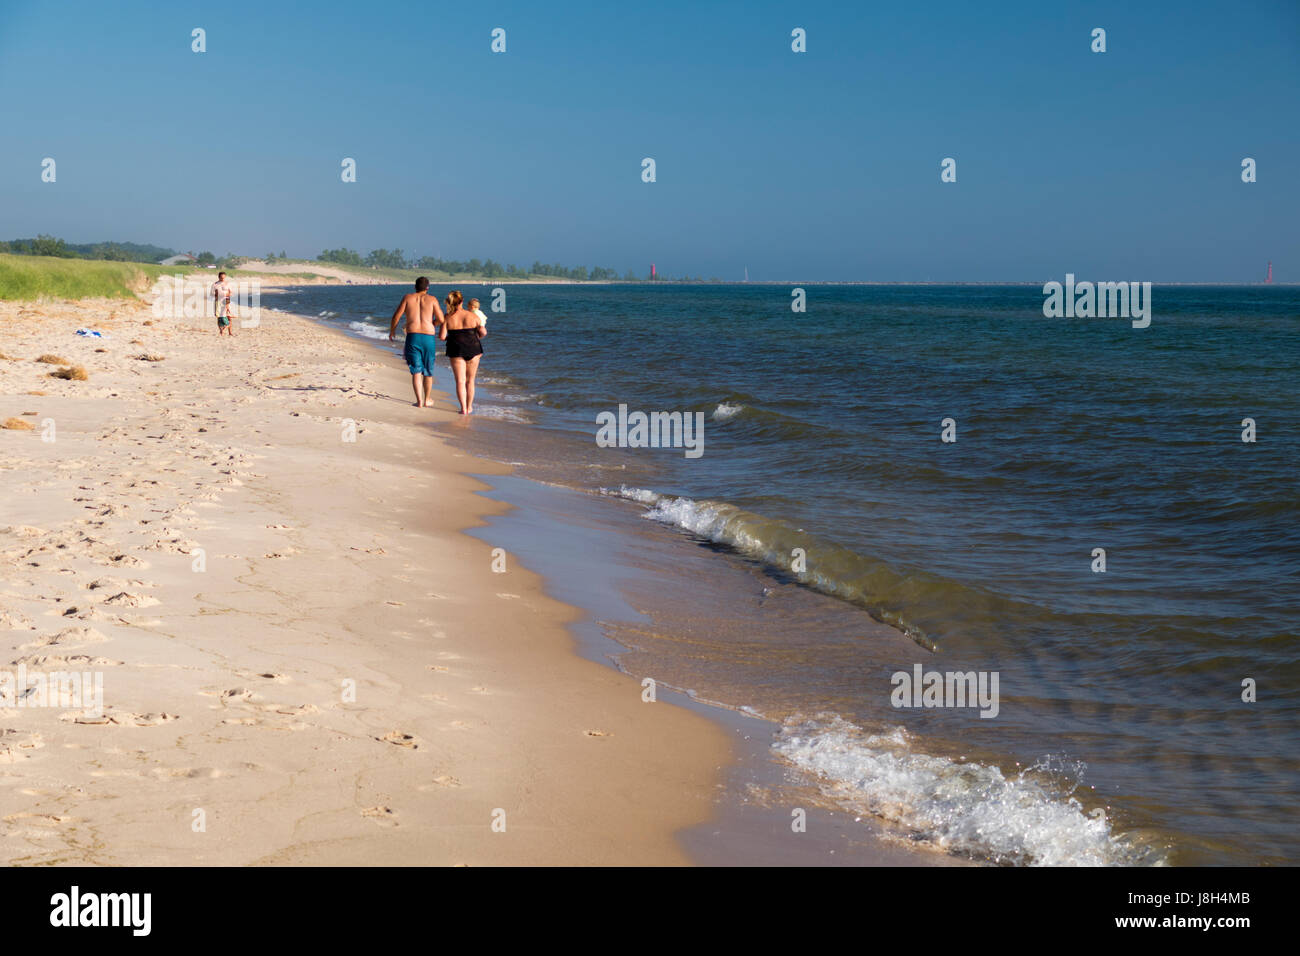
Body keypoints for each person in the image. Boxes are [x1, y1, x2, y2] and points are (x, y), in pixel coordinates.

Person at [389, 277, 444, 407]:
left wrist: (392, 331)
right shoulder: (432, 299)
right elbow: (441, 319)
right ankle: (427, 399)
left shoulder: (407, 298)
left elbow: (396, 316)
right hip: (428, 337)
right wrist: (432, 324)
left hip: (413, 335)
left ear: (415, 287)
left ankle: (419, 401)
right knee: (428, 370)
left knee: (416, 370)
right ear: (427, 288)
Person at [440, 290, 485, 415]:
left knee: (460, 381)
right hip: (474, 348)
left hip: (456, 349)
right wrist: (476, 337)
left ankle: (463, 408)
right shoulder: (473, 315)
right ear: (462, 301)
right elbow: (483, 332)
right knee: (470, 381)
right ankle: (470, 407)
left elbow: (442, 336)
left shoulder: (448, 317)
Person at [212, 271, 235, 336]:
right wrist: (216, 294)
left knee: (229, 317)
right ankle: (221, 331)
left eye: (224, 278)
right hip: (218, 302)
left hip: (226, 301)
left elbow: (231, 293)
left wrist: (227, 294)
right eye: (221, 278)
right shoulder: (215, 284)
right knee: (219, 318)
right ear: (219, 277)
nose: (223, 279)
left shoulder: (227, 284)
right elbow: (212, 293)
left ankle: (230, 332)